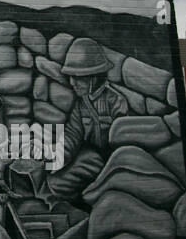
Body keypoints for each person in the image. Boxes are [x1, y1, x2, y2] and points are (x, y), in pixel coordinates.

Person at [45, 38, 130, 205]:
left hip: (112, 162)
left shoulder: (116, 101)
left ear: (93, 77)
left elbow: (123, 141)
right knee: (57, 183)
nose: (72, 83)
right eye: (71, 77)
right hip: (89, 159)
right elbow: (71, 136)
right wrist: (54, 159)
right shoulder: (80, 106)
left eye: (78, 78)